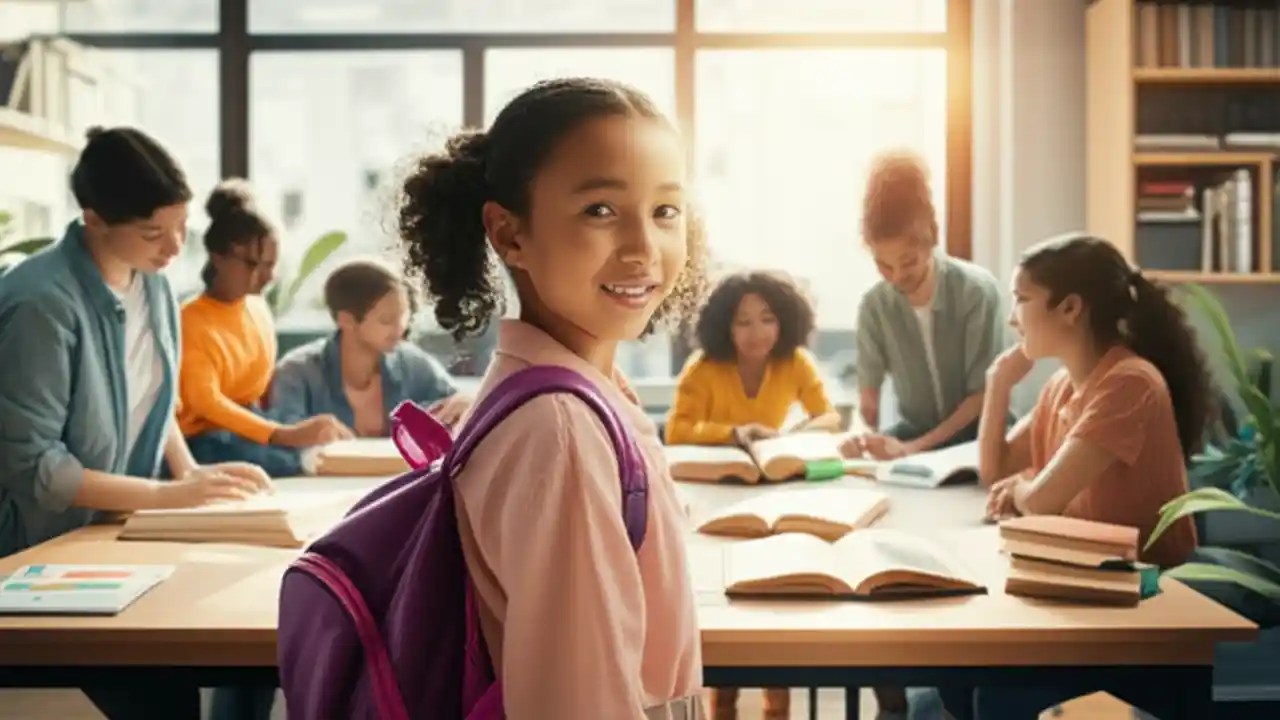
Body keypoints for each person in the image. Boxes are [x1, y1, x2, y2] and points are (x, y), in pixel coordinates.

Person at [396, 77, 708, 718]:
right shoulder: (561, 431)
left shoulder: (577, 394)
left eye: (665, 211)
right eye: (601, 210)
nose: (644, 248)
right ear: (509, 235)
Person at [0, 126, 271, 720]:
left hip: (112, 533)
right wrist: (169, 494)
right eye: (154, 232)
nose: (176, 248)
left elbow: (150, 399)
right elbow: (35, 469)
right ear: (93, 220)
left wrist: (193, 474)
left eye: (181, 226)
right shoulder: (41, 302)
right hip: (38, 550)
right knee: (163, 698)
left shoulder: (152, 281)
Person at [947, 234, 1210, 720]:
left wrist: (1023, 491)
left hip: (1144, 601)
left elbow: (1039, 500)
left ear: (1070, 308)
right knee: (953, 682)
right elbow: (995, 470)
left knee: (986, 690)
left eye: (1022, 299)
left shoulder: (1129, 382)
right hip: (1086, 587)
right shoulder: (1062, 386)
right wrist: (997, 385)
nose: (1012, 317)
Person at [176, 180, 351, 478]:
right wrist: (283, 434)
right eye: (253, 263)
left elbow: (258, 394)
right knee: (283, 462)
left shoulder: (257, 308)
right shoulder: (190, 319)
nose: (266, 276)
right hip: (202, 438)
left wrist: (296, 428)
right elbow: (208, 404)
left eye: (271, 265)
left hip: (249, 422)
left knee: (316, 445)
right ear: (218, 256)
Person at [842, 151, 1004, 461]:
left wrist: (912, 449)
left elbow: (982, 397)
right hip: (913, 440)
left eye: (908, 262)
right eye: (883, 266)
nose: (897, 277)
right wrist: (862, 437)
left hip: (979, 441)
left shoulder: (976, 292)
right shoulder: (874, 307)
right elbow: (868, 399)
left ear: (930, 238)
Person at [269, 257, 470, 439]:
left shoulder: (413, 365)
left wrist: (466, 405)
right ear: (346, 320)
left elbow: (457, 405)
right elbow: (279, 439)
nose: (400, 328)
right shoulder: (297, 372)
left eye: (403, 317)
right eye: (386, 320)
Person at [666, 271, 841, 462]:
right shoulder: (702, 367)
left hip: (770, 467)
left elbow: (829, 418)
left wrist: (791, 438)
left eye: (768, 320)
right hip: (714, 472)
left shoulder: (796, 362)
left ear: (783, 322)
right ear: (726, 327)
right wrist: (735, 434)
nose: (757, 333)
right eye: (743, 322)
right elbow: (676, 432)